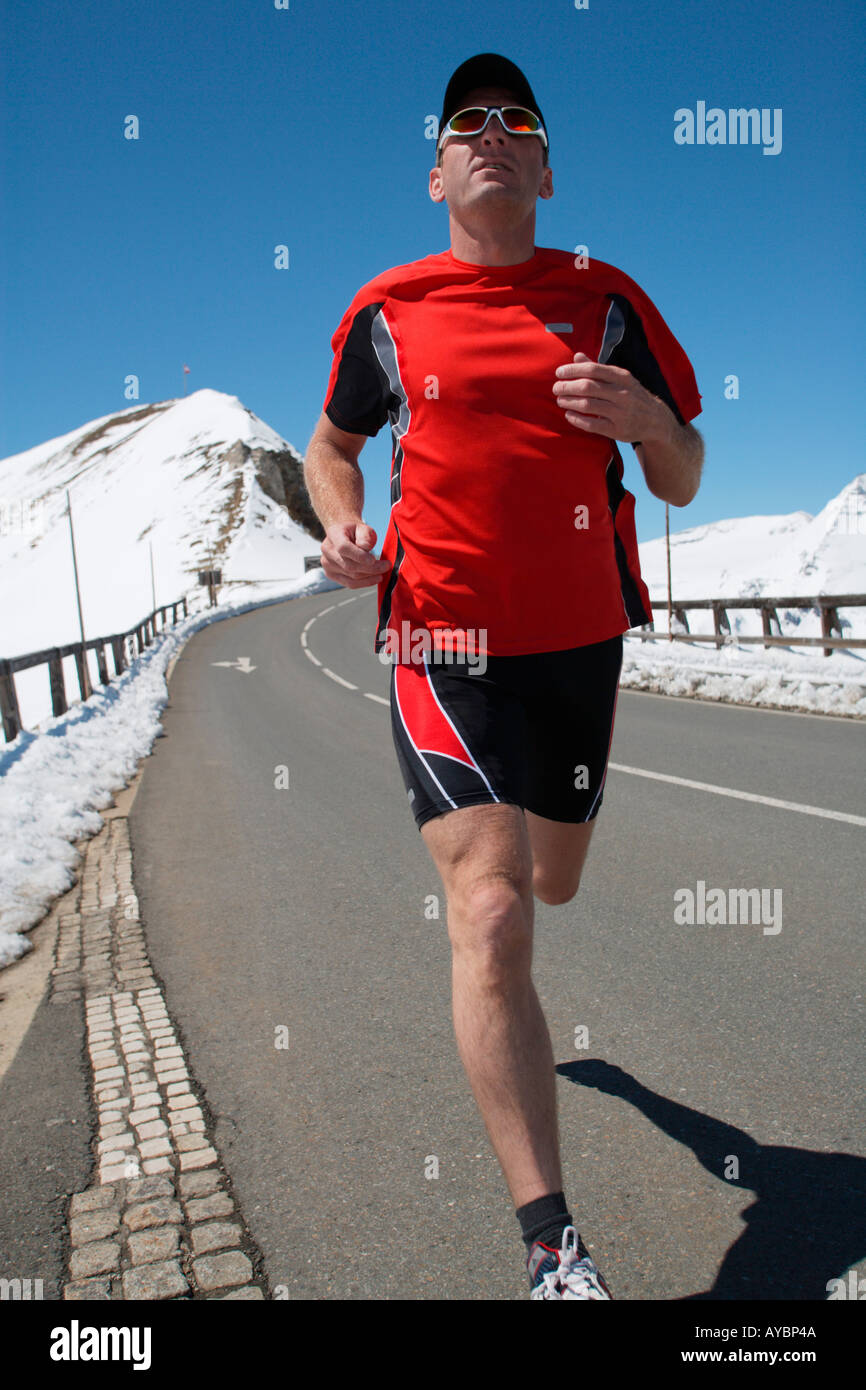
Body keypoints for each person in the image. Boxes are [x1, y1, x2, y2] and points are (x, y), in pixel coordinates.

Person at [304, 53, 704, 1300]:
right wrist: (342, 524)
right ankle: (552, 1247)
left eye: (514, 121)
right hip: (440, 640)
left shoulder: (606, 301)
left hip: (579, 644)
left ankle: (538, 883)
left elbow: (684, 472)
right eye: (464, 123)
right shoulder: (387, 307)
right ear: (436, 173)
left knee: (555, 881)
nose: (490, 134)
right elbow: (332, 444)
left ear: (541, 166)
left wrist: (642, 417)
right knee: (489, 912)